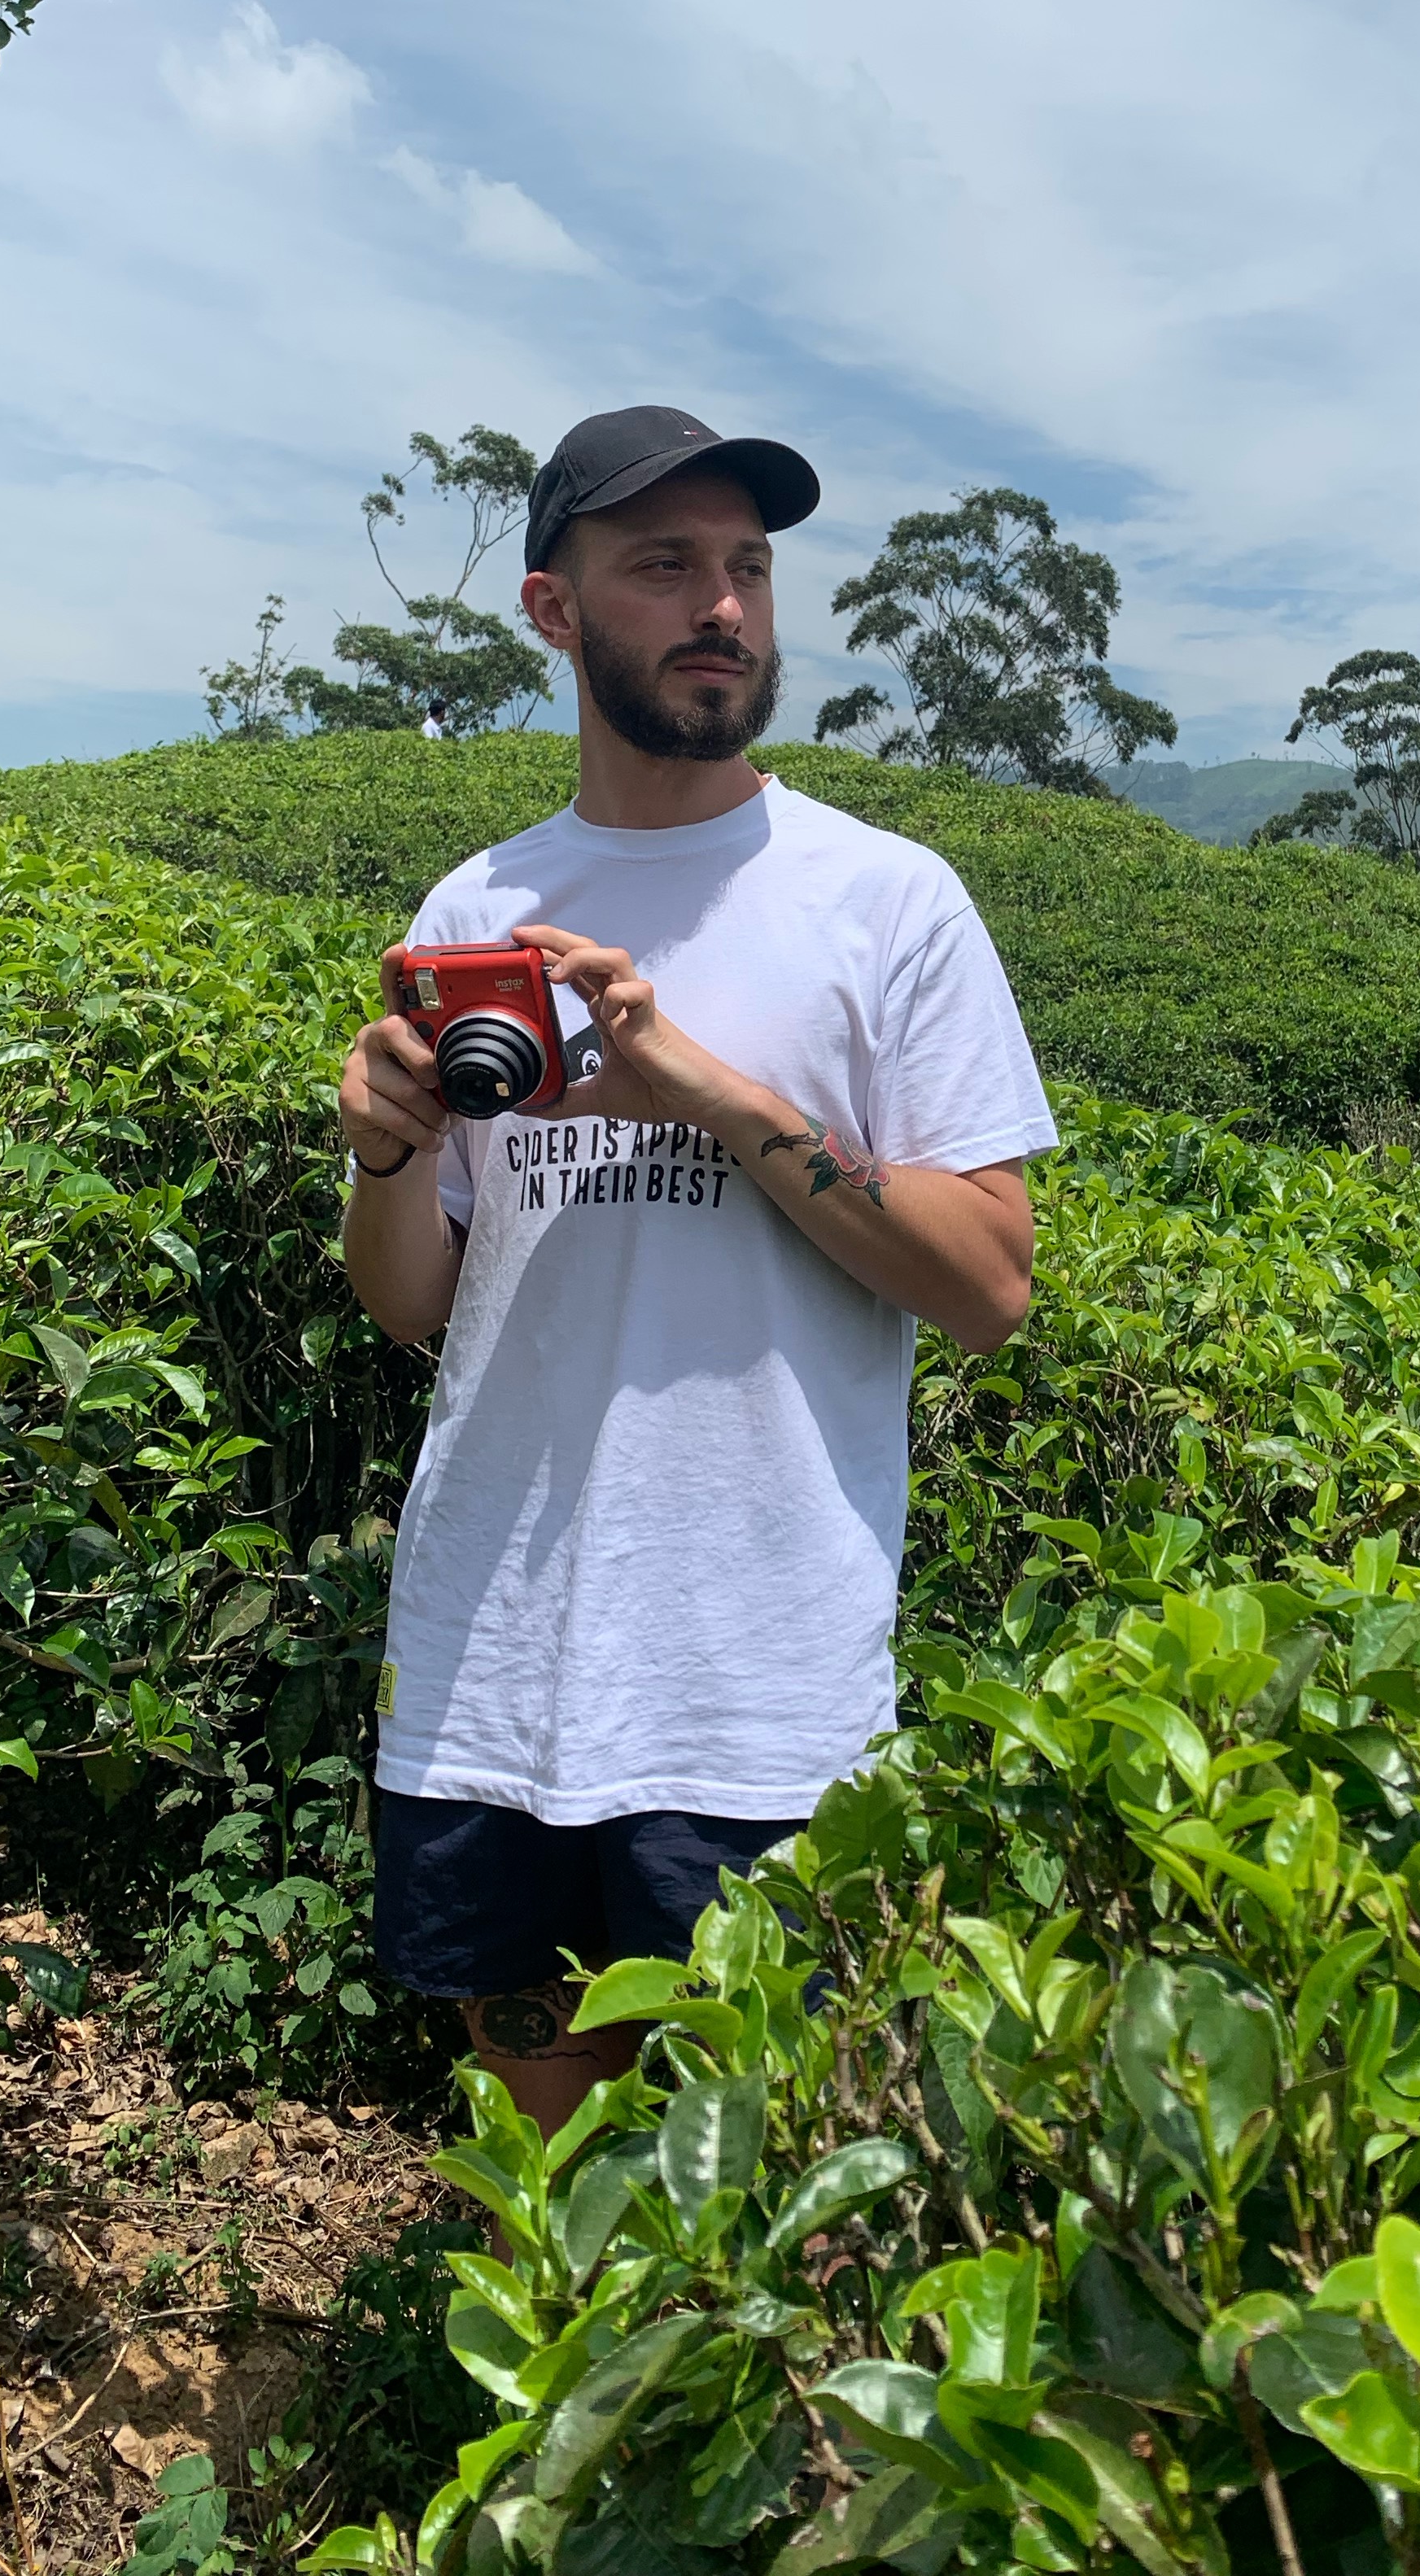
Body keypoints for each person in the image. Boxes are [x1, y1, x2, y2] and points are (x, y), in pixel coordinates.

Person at [335, 404, 1055, 2131]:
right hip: (494, 1664)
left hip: (760, 1682)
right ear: (553, 610)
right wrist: (383, 1150)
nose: (722, 606)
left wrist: (709, 1091)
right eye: (663, 565)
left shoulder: (885, 903)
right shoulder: (473, 912)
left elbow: (988, 1284)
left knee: (766, 2164)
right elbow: (415, 1303)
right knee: (546, 2132)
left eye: (746, 567)